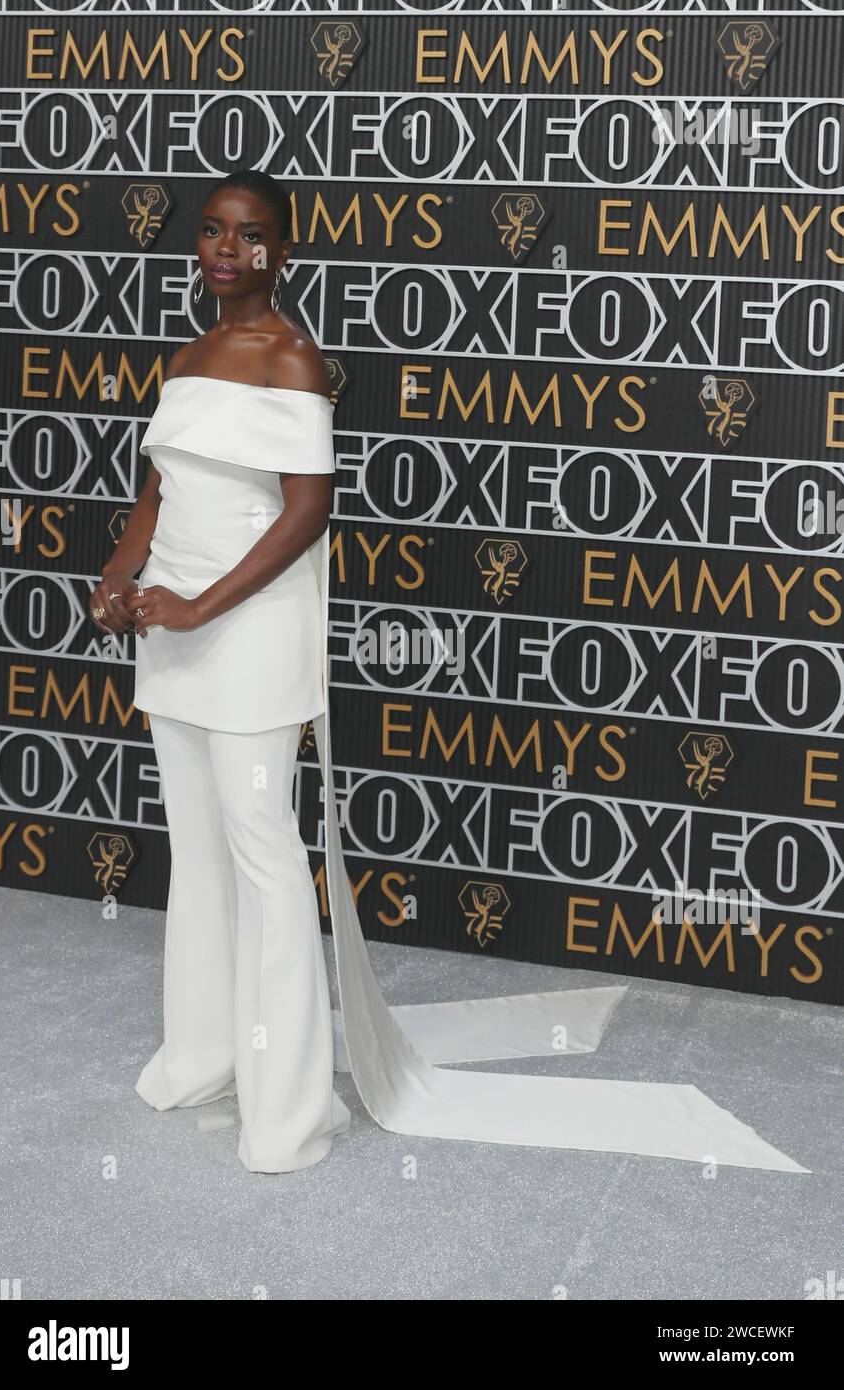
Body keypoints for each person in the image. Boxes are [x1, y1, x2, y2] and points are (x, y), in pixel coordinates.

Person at [89, 169, 805, 1178]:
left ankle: (284, 1111)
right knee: (197, 851)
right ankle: (207, 1053)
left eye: (246, 235)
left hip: (244, 632)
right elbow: (156, 489)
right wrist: (121, 575)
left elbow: (306, 513)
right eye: (209, 230)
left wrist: (200, 605)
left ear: (279, 252)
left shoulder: (293, 358)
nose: (222, 249)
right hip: (168, 628)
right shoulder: (187, 355)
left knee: (260, 853)